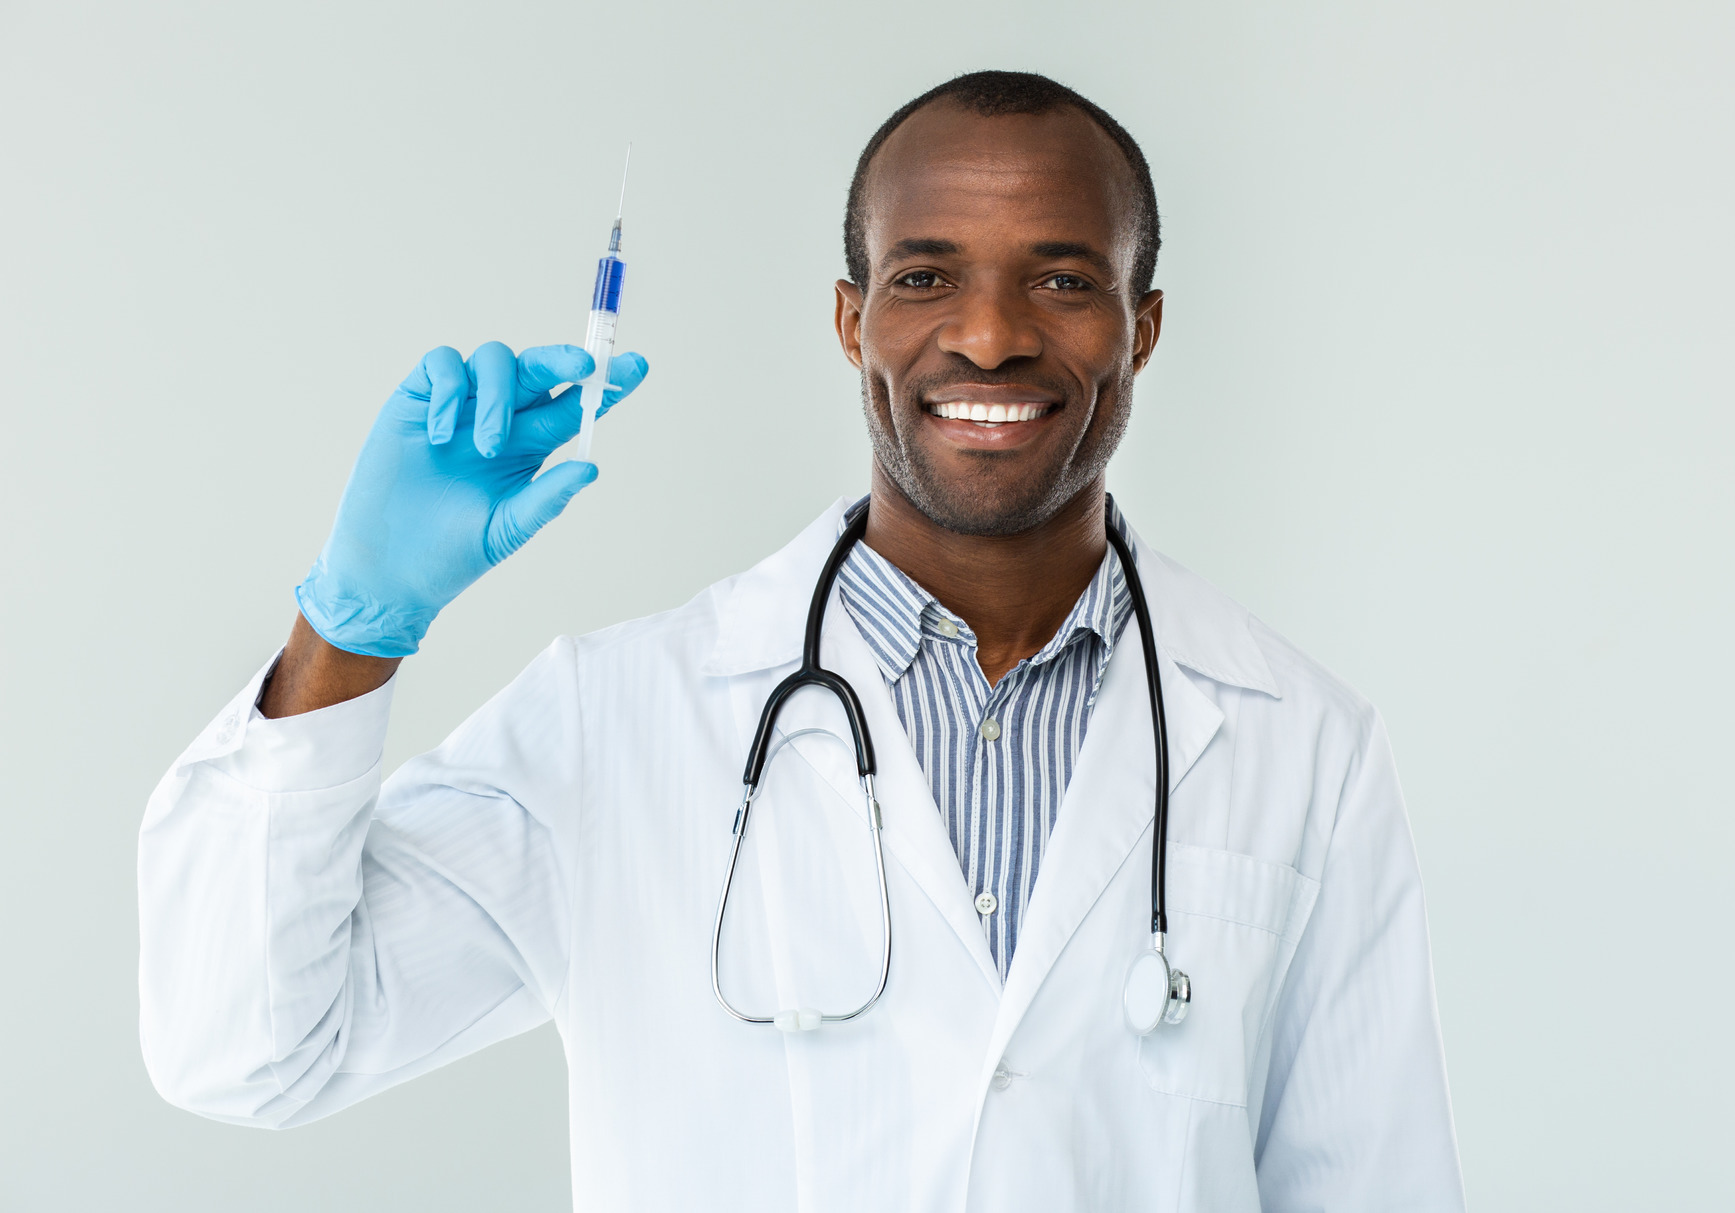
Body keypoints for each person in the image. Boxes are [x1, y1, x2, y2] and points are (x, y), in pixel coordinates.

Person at [139, 70, 1466, 1211]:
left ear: (1144, 326)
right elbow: (251, 1046)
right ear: (853, 323)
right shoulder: (625, 720)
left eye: (1062, 279)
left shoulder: (1305, 745)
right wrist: (352, 627)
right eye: (926, 276)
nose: (991, 335)